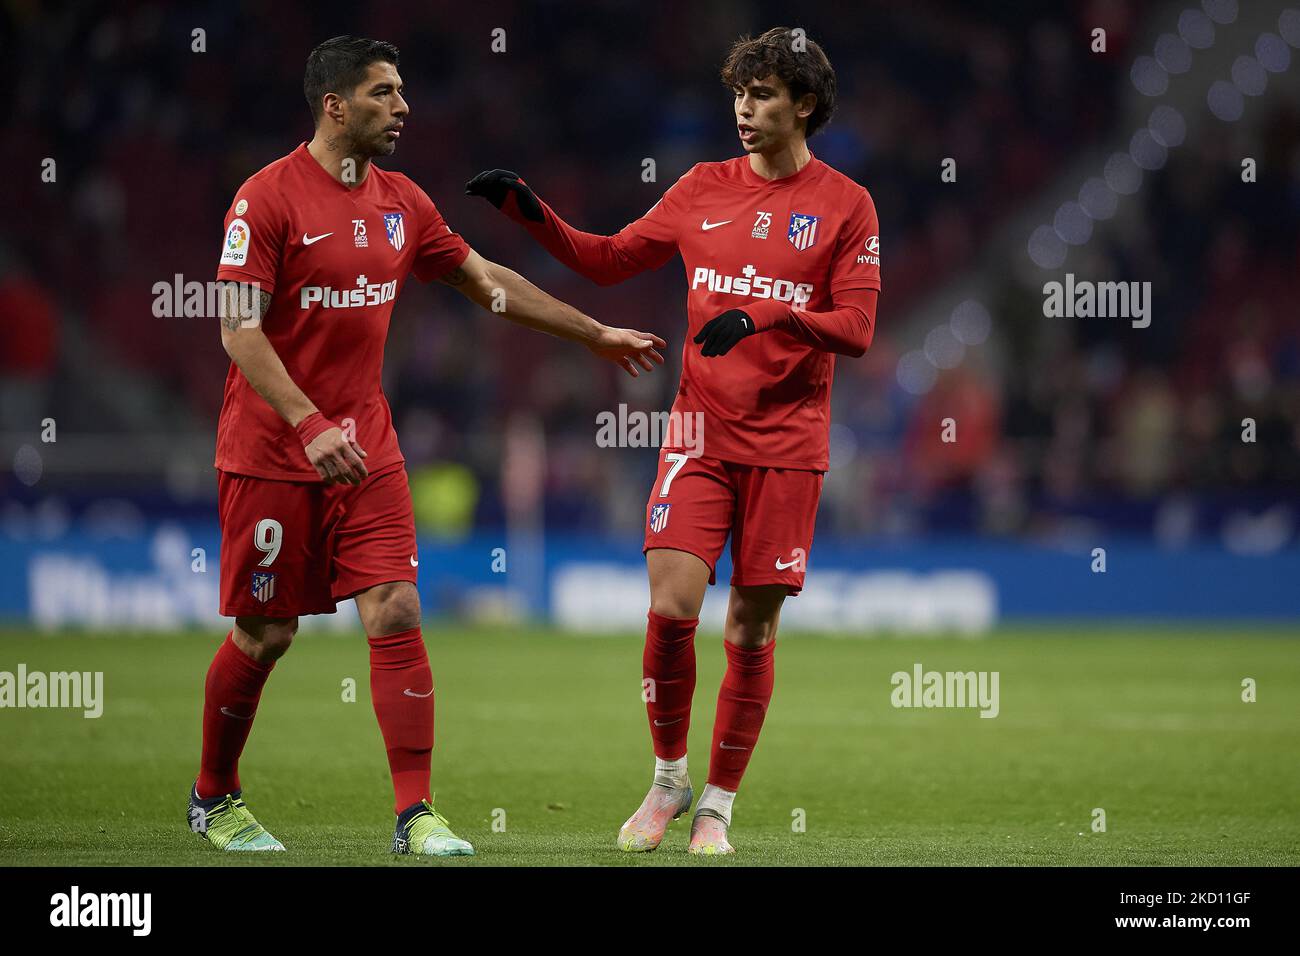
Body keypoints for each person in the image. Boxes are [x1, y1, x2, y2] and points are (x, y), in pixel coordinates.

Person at [193, 35, 665, 856]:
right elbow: (238, 330)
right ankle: (215, 797)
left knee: (397, 606)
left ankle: (416, 816)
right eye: (383, 93)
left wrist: (592, 334)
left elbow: (488, 282)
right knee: (266, 634)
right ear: (335, 105)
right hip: (272, 450)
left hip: (366, 445)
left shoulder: (403, 202)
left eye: (403, 91)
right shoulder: (264, 201)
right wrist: (309, 424)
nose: (403, 106)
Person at [467, 26, 881, 855]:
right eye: (739, 94)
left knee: (751, 633)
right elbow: (610, 258)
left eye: (762, 95)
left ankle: (719, 804)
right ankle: (668, 780)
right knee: (670, 607)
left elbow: (858, 329)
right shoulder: (700, 187)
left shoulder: (846, 205)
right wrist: (530, 212)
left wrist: (765, 313)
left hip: (788, 446)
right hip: (697, 430)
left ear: (804, 106)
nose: (745, 109)